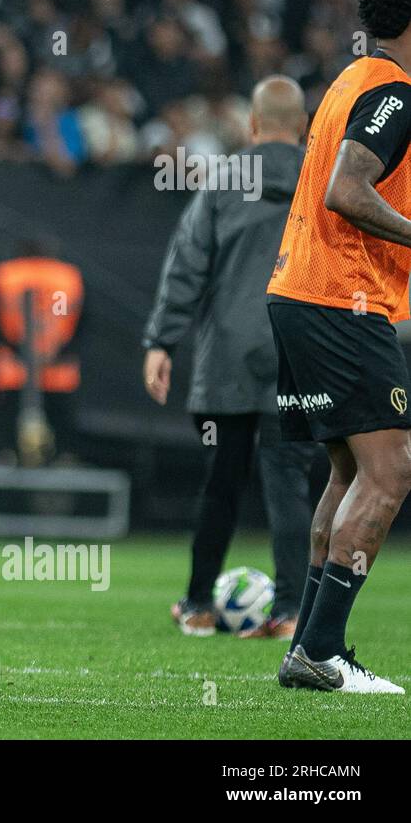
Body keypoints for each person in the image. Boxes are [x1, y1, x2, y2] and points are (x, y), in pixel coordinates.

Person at [267, 0, 411, 694]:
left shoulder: (352, 79)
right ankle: (324, 649)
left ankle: (307, 649)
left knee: (349, 472)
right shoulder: (393, 92)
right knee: (392, 471)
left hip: (303, 292)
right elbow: (346, 191)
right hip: (341, 299)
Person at [143, 75, 317, 639]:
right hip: (298, 351)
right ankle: (291, 611)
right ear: (306, 127)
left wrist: (161, 342)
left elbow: (186, 267)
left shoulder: (225, 179)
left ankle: (197, 605)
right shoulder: (323, 182)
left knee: (221, 480)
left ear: (253, 124)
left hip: (229, 357)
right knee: (290, 482)